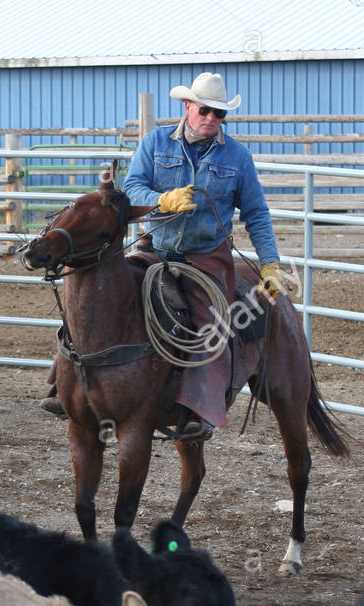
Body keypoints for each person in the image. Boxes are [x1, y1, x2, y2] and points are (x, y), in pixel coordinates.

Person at [120, 72, 284, 440]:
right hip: (155, 248)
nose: (210, 118)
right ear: (188, 106)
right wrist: (160, 200)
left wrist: (270, 264)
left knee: (212, 326)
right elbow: (130, 188)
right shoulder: (155, 142)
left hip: (207, 257)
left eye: (219, 114)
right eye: (205, 110)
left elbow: (255, 212)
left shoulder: (238, 157)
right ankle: (68, 385)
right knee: (108, 295)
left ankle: (199, 410)